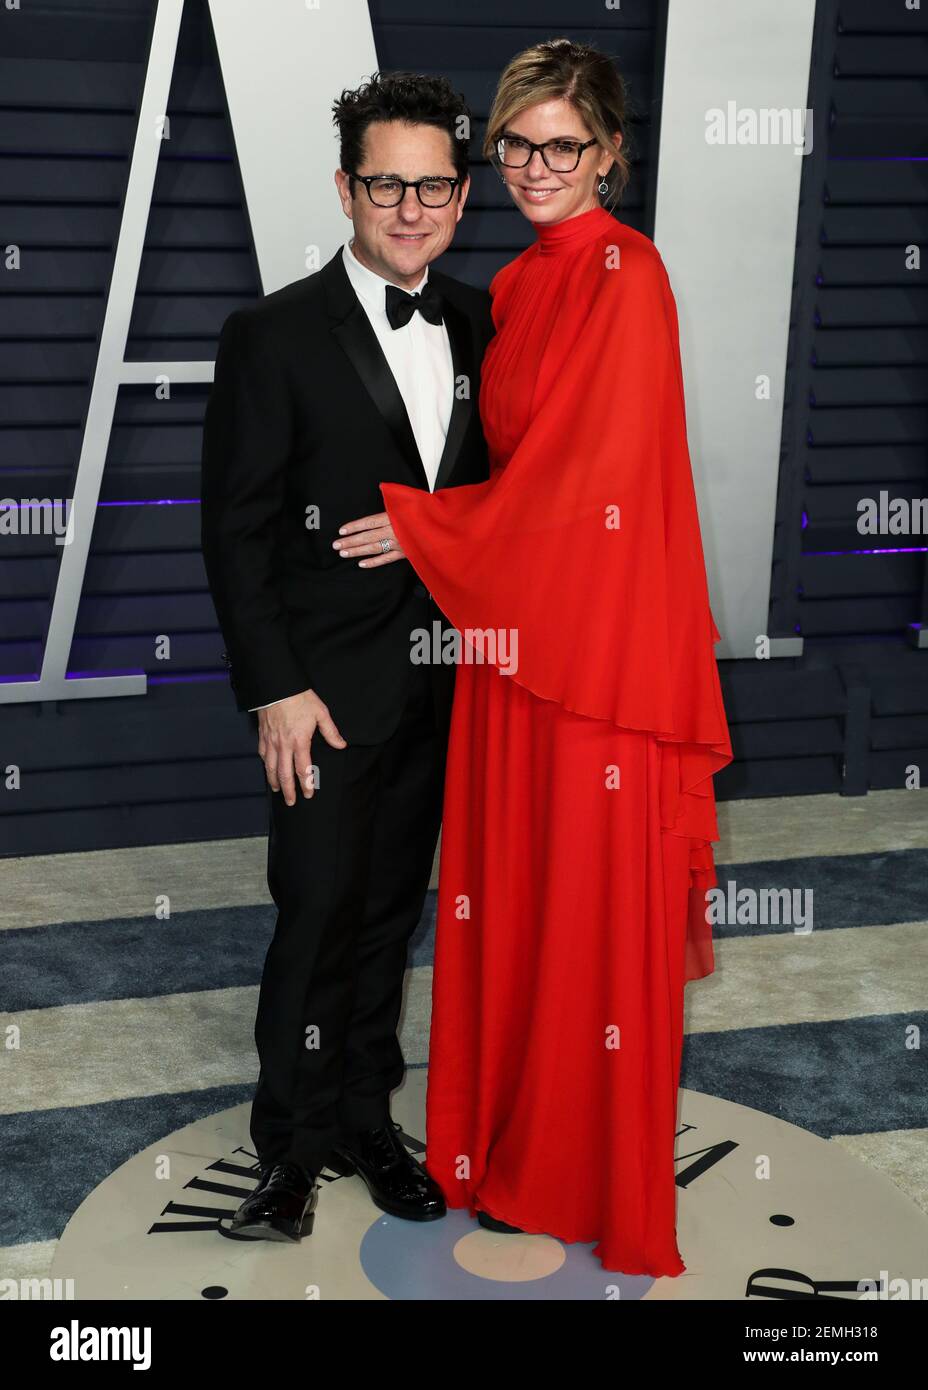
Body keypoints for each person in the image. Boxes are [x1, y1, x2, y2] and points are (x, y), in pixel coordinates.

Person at [343, 38, 733, 1276]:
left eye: (563, 145)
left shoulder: (631, 272)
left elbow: (582, 487)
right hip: (515, 641)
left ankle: (578, 1174)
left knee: (579, 912)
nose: (534, 167)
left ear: (612, 155)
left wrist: (418, 521)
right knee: (509, 902)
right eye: (515, 145)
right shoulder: (513, 284)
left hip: (595, 661)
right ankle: (508, 1148)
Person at [199, 72, 493, 1242]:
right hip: (319, 693)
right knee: (314, 909)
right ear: (345, 186)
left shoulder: (485, 322)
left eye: (431, 184)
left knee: (386, 914)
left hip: (448, 685)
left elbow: (514, 501)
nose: (409, 206)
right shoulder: (269, 332)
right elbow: (234, 528)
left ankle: (368, 1119)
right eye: (386, 183)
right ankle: (291, 1144)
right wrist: (273, 685)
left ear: (461, 195)